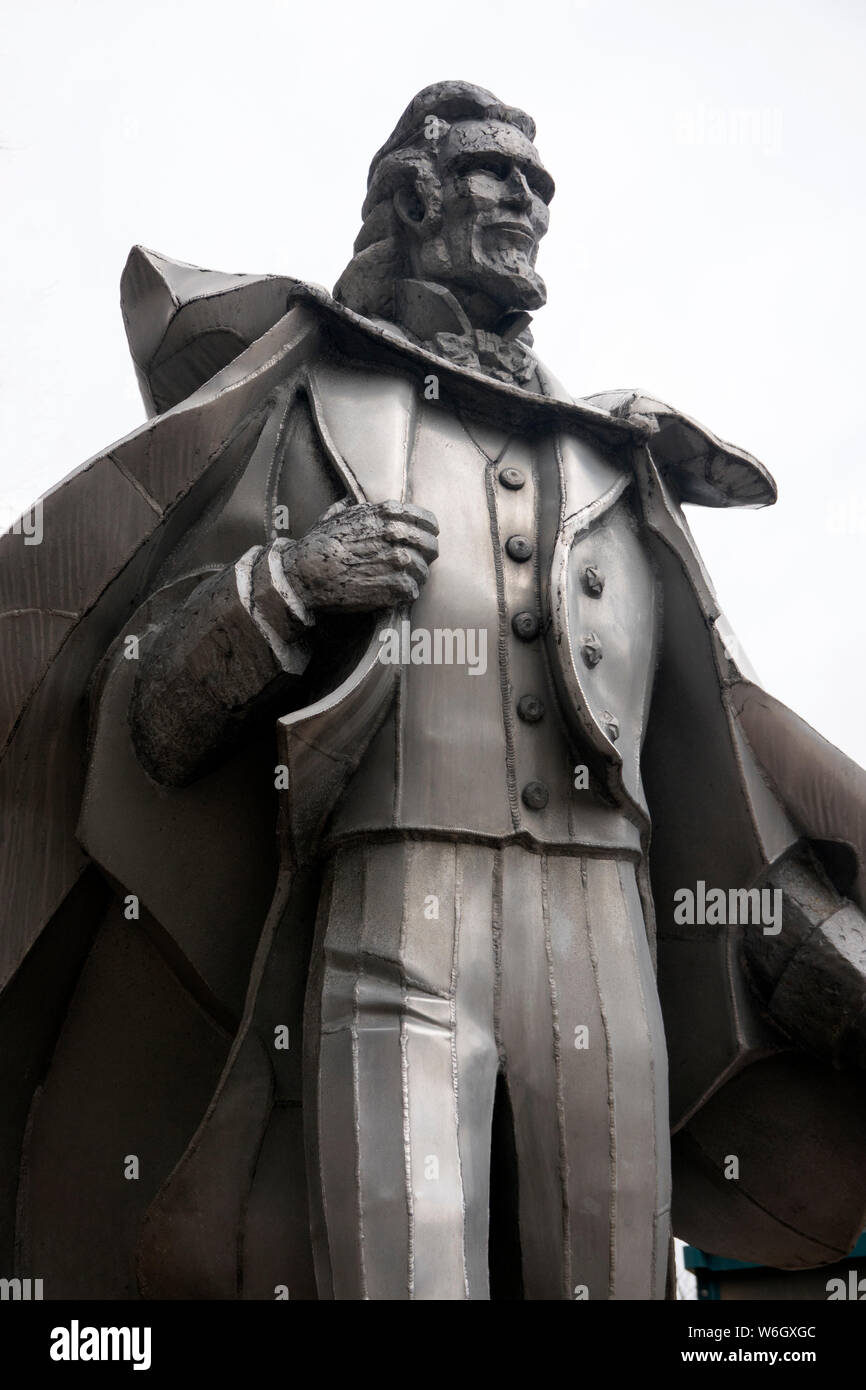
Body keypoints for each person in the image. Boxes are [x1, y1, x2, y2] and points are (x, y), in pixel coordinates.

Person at [4, 81, 866, 1300]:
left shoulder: (616, 461)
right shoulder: (307, 405)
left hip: (603, 918)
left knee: (612, 1276)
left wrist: (805, 943)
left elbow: (720, 750)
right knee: (395, 1271)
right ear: (411, 197)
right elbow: (149, 712)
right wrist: (292, 582)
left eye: (538, 183)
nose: (527, 201)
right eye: (494, 175)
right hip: (391, 903)